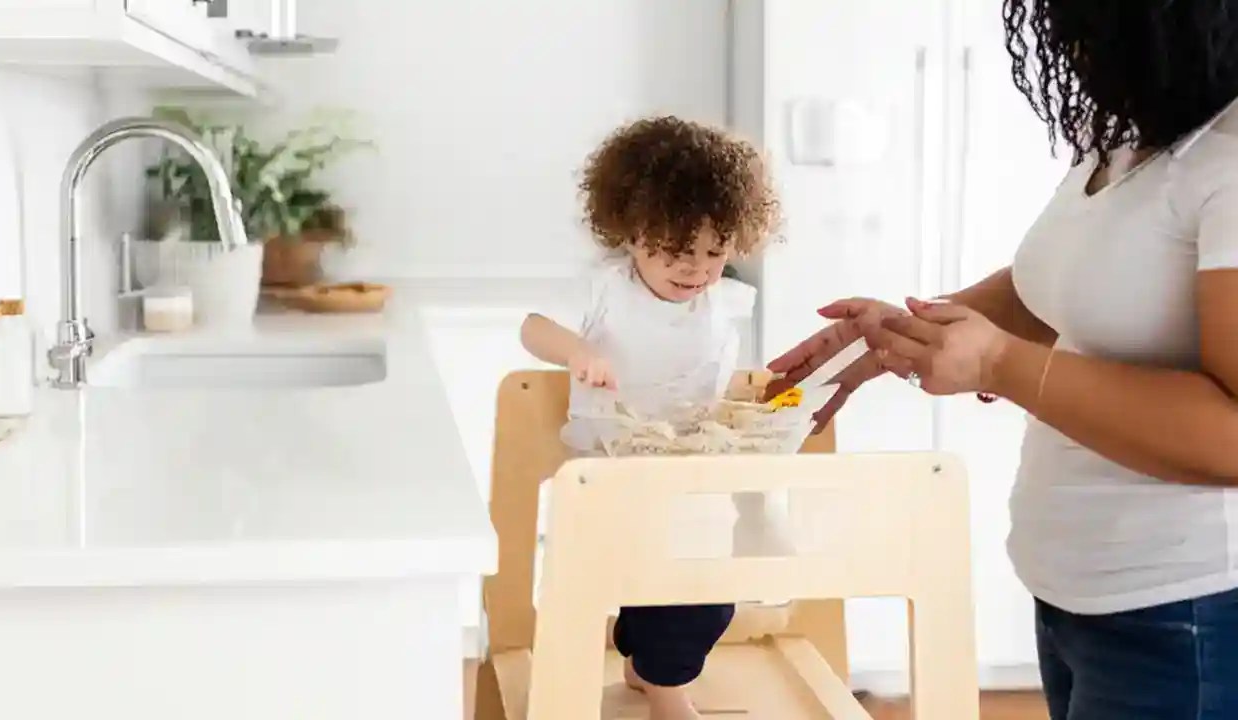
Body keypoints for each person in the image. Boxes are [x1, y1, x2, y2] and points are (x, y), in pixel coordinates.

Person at [766, 2, 1238, 717]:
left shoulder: (1229, 158)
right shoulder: (1130, 132)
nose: (1067, 45)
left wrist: (1000, 366)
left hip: (1188, 611)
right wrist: (900, 332)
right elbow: (1059, 288)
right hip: (1078, 592)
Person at [519, 115, 781, 720]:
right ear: (632, 231)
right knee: (640, 572)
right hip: (609, 465)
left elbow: (732, 382)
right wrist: (578, 352)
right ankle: (663, 686)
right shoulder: (605, 288)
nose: (695, 269)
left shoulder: (726, 300)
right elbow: (534, 327)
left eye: (715, 253)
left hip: (691, 465)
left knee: (708, 586)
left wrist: (772, 403)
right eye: (676, 252)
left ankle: (651, 670)